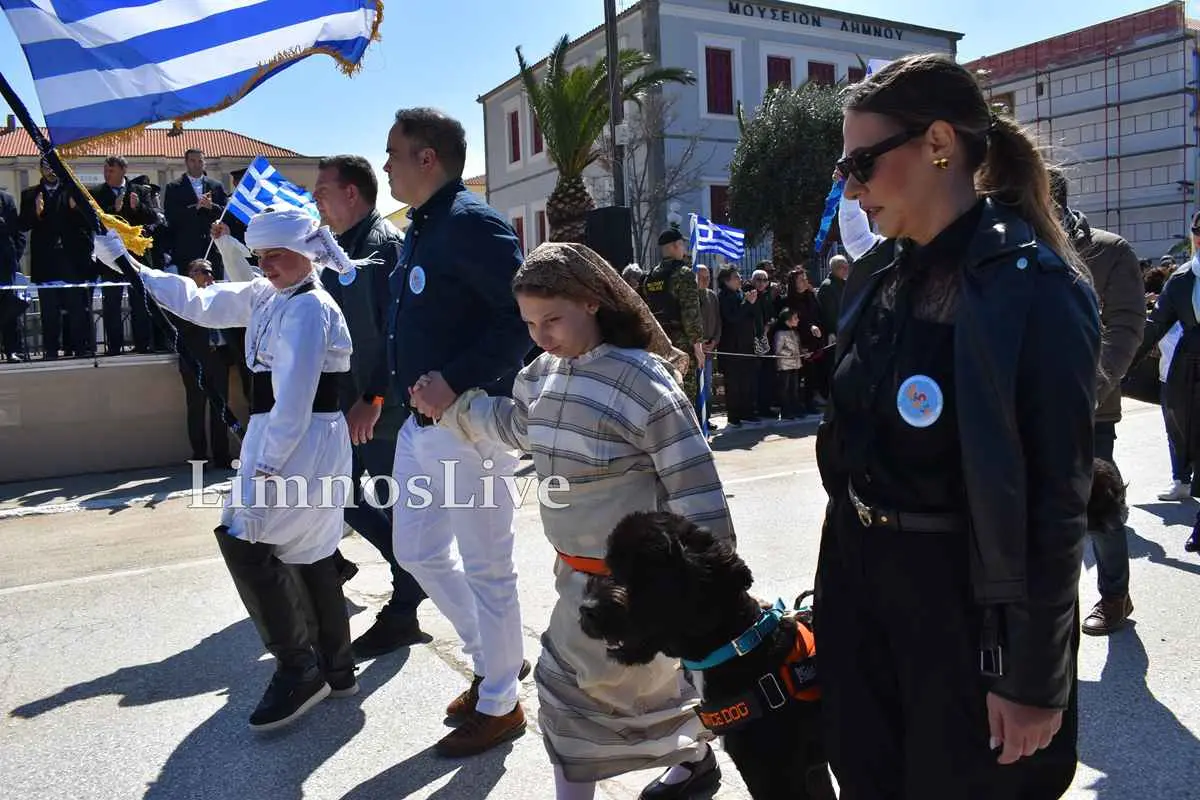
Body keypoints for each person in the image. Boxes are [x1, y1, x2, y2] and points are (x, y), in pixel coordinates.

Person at [817, 53, 1099, 798]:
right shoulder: (875, 279)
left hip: (965, 618)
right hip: (863, 595)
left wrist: (1036, 679)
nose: (850, 184)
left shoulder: (1033, 290)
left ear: (938, 142)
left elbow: (1056, 496)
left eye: (861, 162)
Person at [427, 241, 731, 800]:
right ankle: (663, 771)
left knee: (660, 687)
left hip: (642, 586)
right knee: (566, 696)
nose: (541, 335)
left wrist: (711, 581)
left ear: (592, 302)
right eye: (529, 323)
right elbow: (522, 427)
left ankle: (693, 763)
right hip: (577, 584)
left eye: (552, 319)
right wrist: (455, 408)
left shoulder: (641, 379)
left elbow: (693, 479)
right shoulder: (539, 375)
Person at [93, 206, 366, 732]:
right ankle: (335, 668)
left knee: (246, 536)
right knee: (309, 551)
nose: (266, 266)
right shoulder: (269, 294)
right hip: (290, 435)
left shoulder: (310, 308)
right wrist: (130, 264)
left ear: (307, 255)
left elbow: (295, 399)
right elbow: (199, 302)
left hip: (300, 438)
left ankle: (298, 667)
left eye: (277, 256)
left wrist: (264, 462)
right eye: (261, 256)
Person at [384, 107, 533, 757]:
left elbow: (525, 317)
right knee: (415, 550)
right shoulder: (422, 228)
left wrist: (458, 379)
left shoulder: (472, 224)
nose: (385, 163)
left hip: (471, 425)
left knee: (488, 568)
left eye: (394, 152)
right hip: (421, 428)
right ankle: (495, 660)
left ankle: (500, 703)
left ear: (427, 158)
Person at [311, 154, 429, 657]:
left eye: (322, 192)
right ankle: (411, 573)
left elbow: (400, 336)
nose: (316, 201)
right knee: (340, 496)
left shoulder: (383, 250)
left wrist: (374, 397)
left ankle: (405, 604)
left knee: (393, 508)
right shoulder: (339, 251)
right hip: (347, 408)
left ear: (351, 194)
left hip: (380, 413)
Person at [1048, 167, 1145, 636]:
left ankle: (1114, 596)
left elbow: (1127, 327)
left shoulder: (1108, 252)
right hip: (1028, 407)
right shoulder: (1013, 253)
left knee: (1098, 508)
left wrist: (1087, 388)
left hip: (1090, 406)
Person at [1131, 210, 1200, 554]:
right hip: (1189, 368)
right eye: (1197, 232)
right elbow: (1155, 325)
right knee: (1192, 437)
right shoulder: (1182, 279)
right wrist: (1122, 364)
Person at [19, 158, 95, 359]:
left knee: (76, 308)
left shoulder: (73, 191)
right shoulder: (30, 194)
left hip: (71, 261)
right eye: (46, 167)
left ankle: (80, 348)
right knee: (49, 311)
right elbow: (23, 225)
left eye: (54, 167)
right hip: (46, 262)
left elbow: (89, 224)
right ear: (40, 170)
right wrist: (36, 213)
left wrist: (76, 209)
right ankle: (50, 350)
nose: (50, 171)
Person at [91, 155, 164, 354]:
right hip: (110, 256)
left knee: (140, 301)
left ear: (123, 170)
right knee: (112, 302)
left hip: (136, 255)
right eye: (105, 171)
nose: (107, 174)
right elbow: (91, 221)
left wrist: (136, 207)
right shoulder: (96, 193)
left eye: (111, 171)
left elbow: (153, 218)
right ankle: (114, 347)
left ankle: (142, 345)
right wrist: (111, 209)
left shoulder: (140, 191)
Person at [173, 258, 235, 469]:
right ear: (191, 277)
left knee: (221, 410)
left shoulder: (218, 297)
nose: (209, 276)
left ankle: (222, 456)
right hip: (195, 362)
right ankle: (199, 457)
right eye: (203, 272)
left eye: (210, 272)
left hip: (218, 358)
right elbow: (180, 330)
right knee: (196, 409)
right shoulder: (183, 301)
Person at [641, 229, 705, 405]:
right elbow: (691, 313)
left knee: (662, 392)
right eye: (682, 244)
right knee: (685, 394)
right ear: (676, 246)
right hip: (681, 342)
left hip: (658, 342)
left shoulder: (649, 277)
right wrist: (698, 347)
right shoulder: (683, 274)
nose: (683, 248)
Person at [163, 149, 234, 278]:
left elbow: (226, 213)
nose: (197, 164)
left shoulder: (216, 185)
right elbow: (171, 216)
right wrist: (195, 208)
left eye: (200, 161)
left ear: (204, 163)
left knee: (214, 287)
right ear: (186, 162)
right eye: (193, 161)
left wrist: (211, 206)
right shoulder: (173, 187)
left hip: (212, 246)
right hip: (186, 249)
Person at [716, 267, 760, 427]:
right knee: (734, 383)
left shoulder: (740, 293)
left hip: (746, 344)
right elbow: (733, 318)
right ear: (726, 281)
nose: (740, 279)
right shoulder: (724, 297)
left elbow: (750, 315)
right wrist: (747, 303)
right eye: (736, 277)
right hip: (732, 347)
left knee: (747, 380)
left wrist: (751, 302)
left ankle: (747, 411)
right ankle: (734, 416)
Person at [0, 187, 26, 361]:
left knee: (9, 310)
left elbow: (18, 234)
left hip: (5, 266)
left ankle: (12, 350)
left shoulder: (7, 200)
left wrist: (14, 257)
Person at [695, 264, 722, 429]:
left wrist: (714, 342)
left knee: (707, 387)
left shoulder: (712, 296)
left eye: (708, 278)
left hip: (709, 350)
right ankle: (696, 419)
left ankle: (706, 417)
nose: (705, 281)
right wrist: (699, 343)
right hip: (696, 350)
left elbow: (718, 322)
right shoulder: (690, 297)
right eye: (701, 277)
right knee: (696, 387)